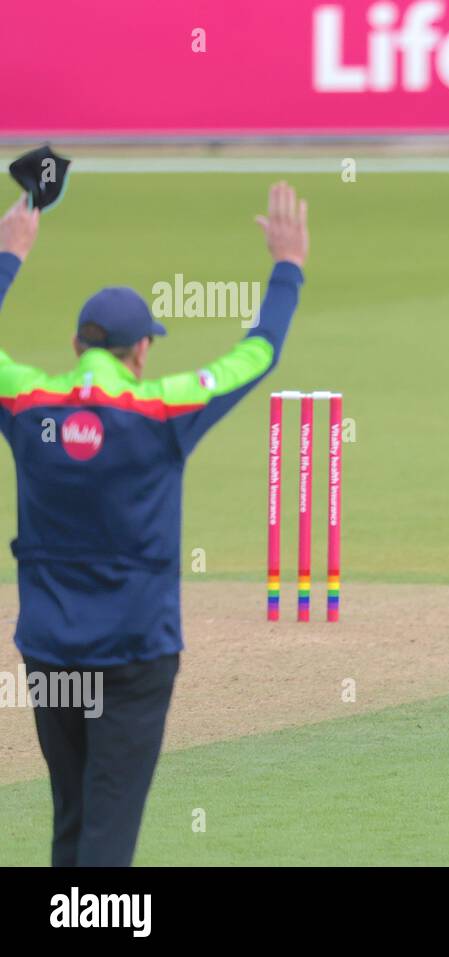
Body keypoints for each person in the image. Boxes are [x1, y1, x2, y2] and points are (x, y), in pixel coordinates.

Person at [0, 182, 309, 865]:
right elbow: (258, 354)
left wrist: (8, 255)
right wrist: (287, 265)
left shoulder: (26, 404)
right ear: (141, 351)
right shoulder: (164, 411)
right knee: (107, 835)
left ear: (76, 343)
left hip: (50, 651)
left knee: (74, 821)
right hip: (134, 654)